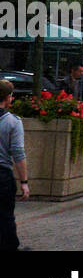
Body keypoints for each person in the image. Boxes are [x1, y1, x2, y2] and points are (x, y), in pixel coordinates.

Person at [0, 79, 30, 251]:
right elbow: (18, 154)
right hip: (2, 176)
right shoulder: (13, 122)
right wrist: (24, 182)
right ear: (7, 98)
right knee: (5, 216)